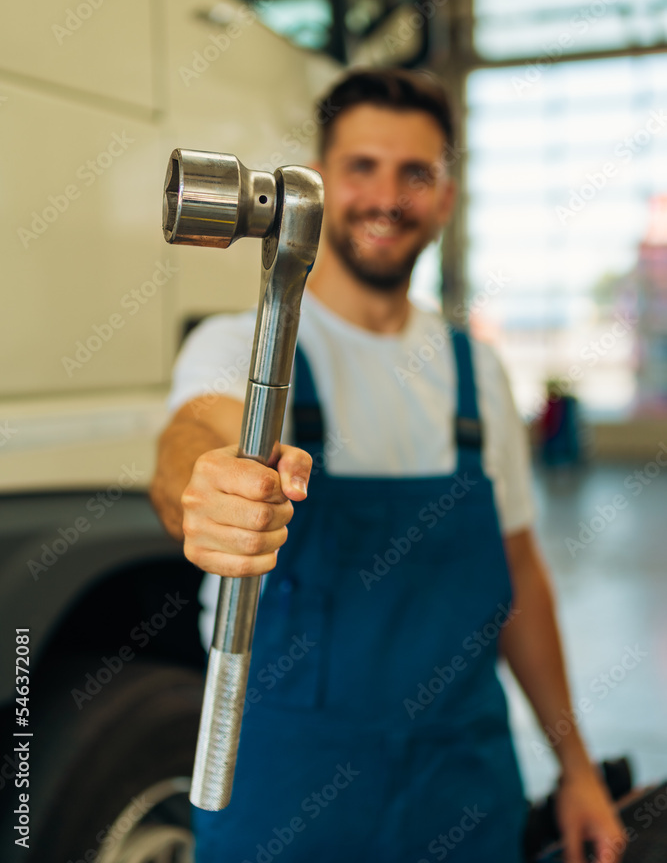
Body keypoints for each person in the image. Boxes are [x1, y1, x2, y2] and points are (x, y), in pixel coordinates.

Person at [150, 69, 625, 863]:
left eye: (416, 173)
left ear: (445, 197)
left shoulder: (479, 374)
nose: (386, 197)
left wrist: (575, 768)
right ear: (321, 180)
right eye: (360, 167)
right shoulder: (242, 342)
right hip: (284, 797)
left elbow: (519, 572)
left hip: (462, 788)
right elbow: (195, 434)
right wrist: (204, 488)